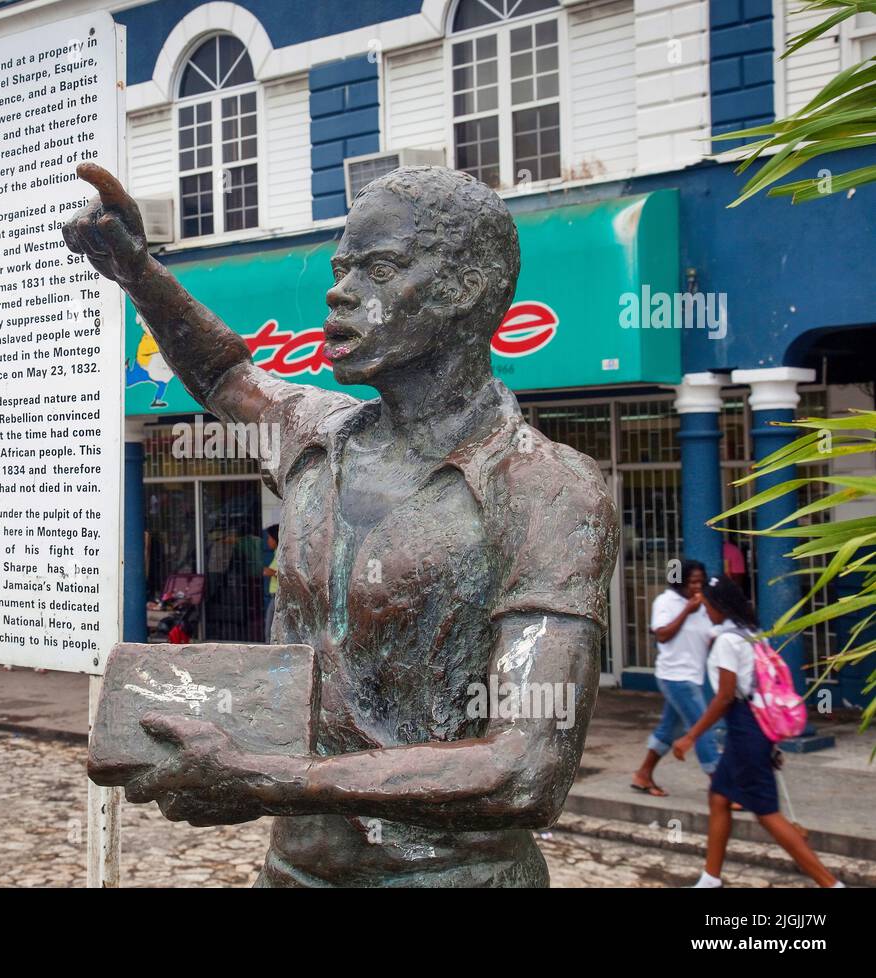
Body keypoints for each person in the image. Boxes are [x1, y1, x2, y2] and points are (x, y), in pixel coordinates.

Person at [65, 162, 618, 887]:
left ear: (468, 290)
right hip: (294, 872)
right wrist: (138, 272)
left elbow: (525, 768)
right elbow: (225, 376)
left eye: (379, 268)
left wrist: (267, 779)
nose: (339, 292)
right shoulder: (314, 435)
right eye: (340, 268)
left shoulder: (549, 490)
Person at [674, 576, 842, 888]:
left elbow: (724, 698)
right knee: (720, 797)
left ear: (719, 606)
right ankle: (710, 879)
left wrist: (690, 736)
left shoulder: (726, 641)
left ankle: (831, 884)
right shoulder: (752, 634)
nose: (706, 612)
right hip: (756, 723)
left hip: (744, 725)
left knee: (767, 813)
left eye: (708, 606)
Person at [631, 558, 720, 796]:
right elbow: (662, 635)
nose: (697, 587)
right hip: (675, 676)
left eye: (701, 582)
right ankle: (722, 787)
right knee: (702, 729)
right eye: (692, 582)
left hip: (694, 675)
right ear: (680, 582)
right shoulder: (666, 602)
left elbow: (712, 636)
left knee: (669, 730)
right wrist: (687, 610)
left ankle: (643, 775)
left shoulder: (703, 603)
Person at [262, 523, 280, 642]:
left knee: (270, 630)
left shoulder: (281, 553)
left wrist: (271, 572)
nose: (268, 541)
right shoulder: (276, 553)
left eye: (269, 538)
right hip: (274, 597)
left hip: (278, 598)